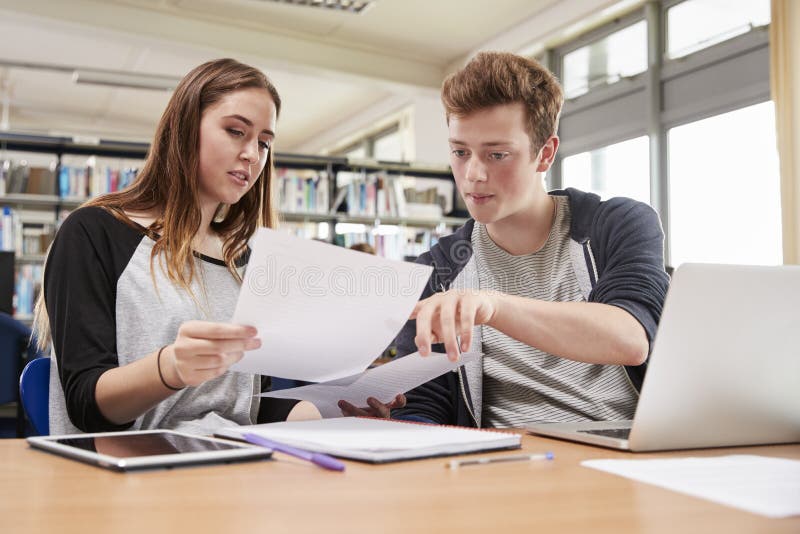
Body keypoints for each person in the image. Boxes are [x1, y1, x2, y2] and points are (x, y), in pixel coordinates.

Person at [339, 51, 669, 427]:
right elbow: (429, 406)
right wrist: (395, 419)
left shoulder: (617, 224)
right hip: (500, 463)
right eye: (460, 152)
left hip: (618, 452)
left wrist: (492, 306)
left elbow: (630, 338)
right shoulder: (438, 271)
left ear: (545, 154)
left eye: (497, 154)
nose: (473, 174)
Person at [34, 58, 319, 436]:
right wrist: (169, 368)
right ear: (184, 130)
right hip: (125, 473)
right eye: (236, 131)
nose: (253, 154)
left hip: (230, 466)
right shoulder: (94, 232)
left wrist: (335, 410)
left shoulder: (244, 261)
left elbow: (241, 406)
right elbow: (87, 405)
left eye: (264, 142)